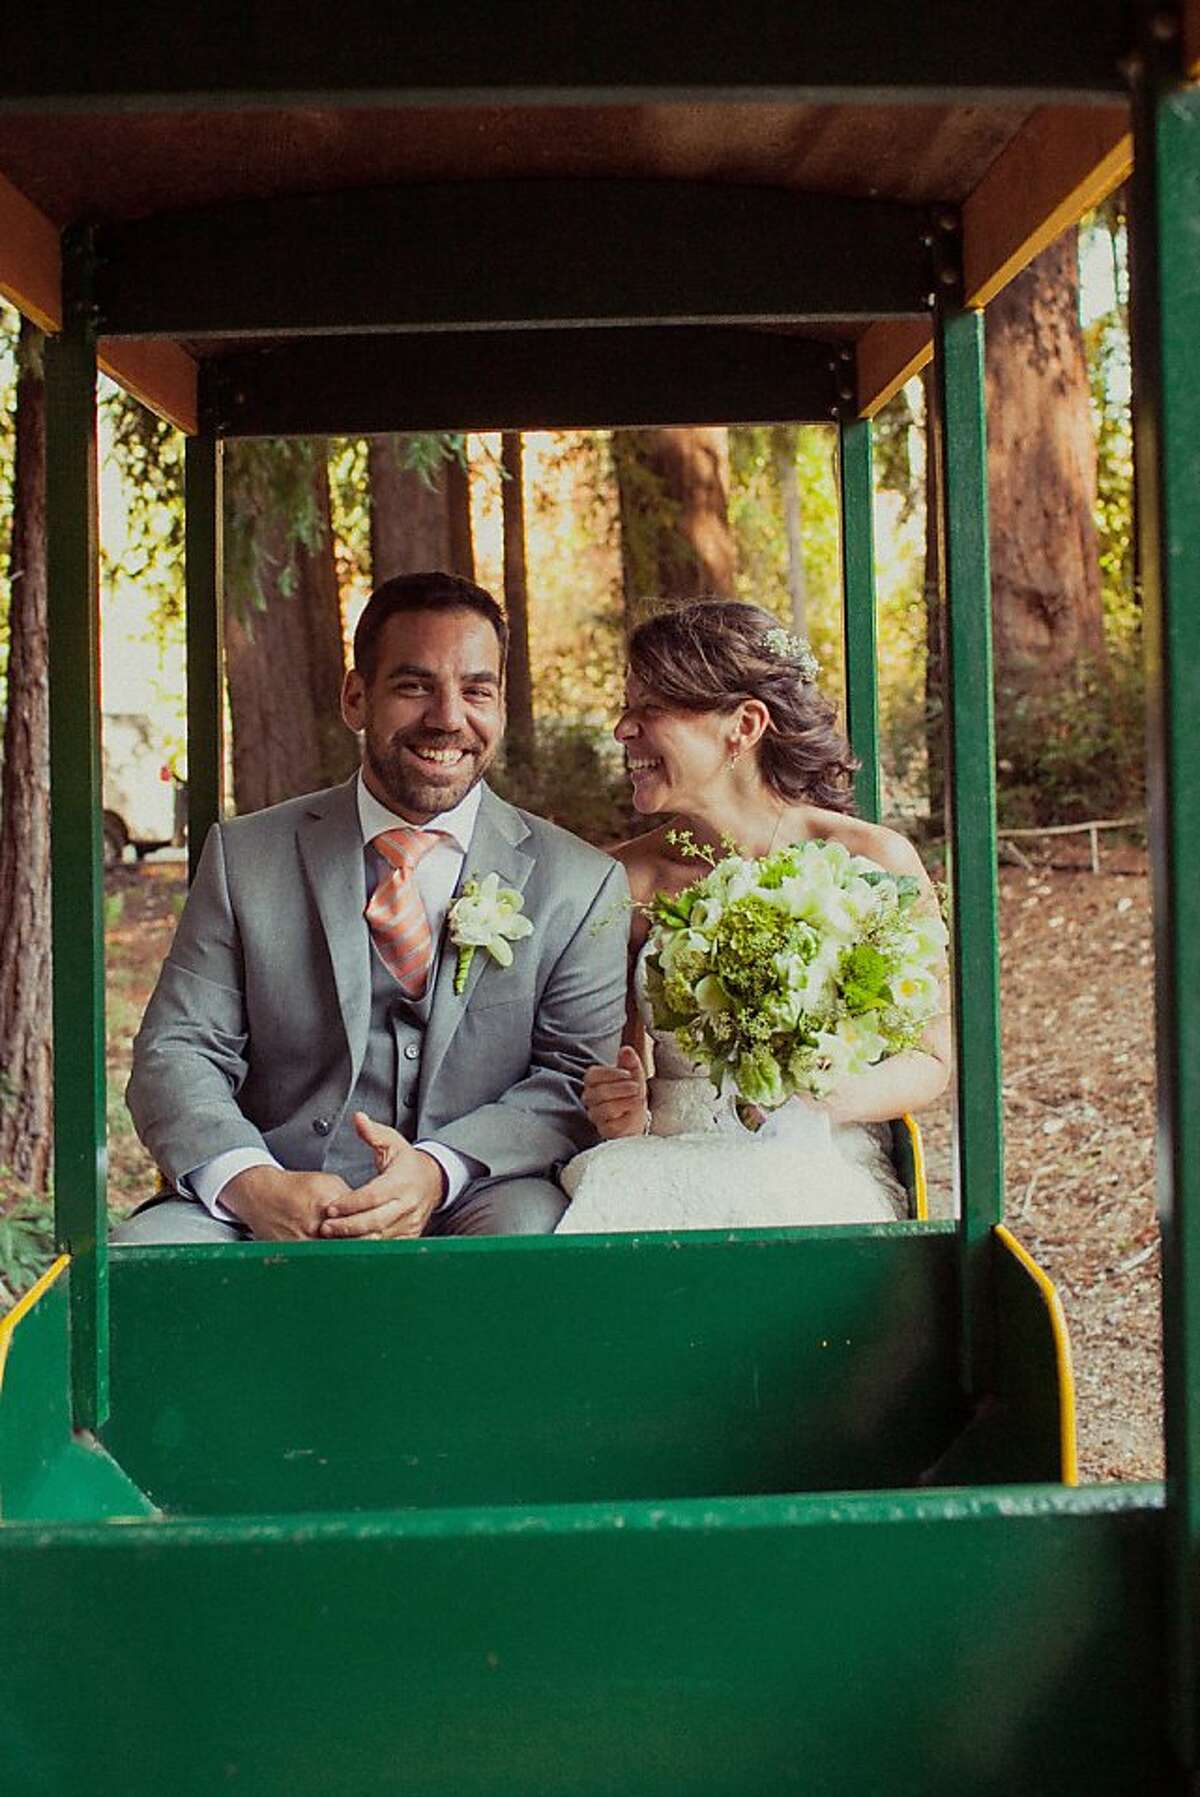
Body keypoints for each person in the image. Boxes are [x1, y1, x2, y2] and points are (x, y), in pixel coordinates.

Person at [116, 572, 629, 1245]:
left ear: (501, 706)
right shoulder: (247, 857)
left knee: (534, 1233)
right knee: (148, 1257)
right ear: (356, 697)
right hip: (274, 1190)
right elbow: (178, 1050)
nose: (448, 718)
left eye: (477, 690)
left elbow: (571, 1079)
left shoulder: (580, 883)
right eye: (415, 686)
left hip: (476, 1194)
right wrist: (253, 1183)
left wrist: (438, 1170)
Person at [555, 599, 952, 1234]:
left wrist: (827, 1097)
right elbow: (616, 1070)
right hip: (667, 1159)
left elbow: (929, 1061)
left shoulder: (873, 861)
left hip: (821, 1154)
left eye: (650, 708)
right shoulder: (622, 882)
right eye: (626, 708)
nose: (623, 730)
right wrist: (621, 1111)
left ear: (743, 725)